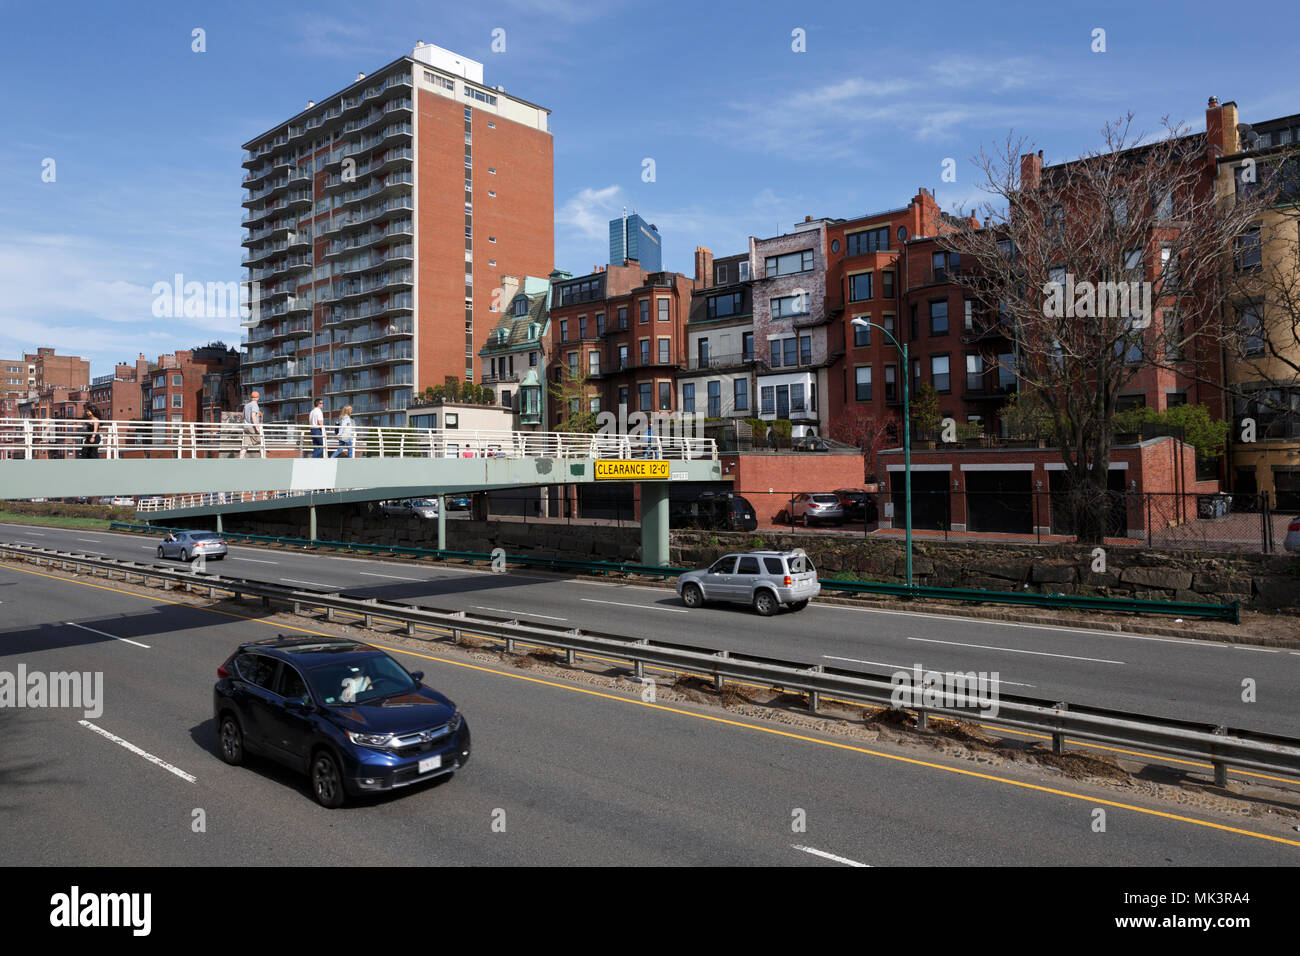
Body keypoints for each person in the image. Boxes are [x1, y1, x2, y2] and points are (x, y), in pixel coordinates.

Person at [239, 390, 264, 459]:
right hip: (252, 427)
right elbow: (253, 416)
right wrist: (256, 428)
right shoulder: (255, 405)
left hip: (246, 427)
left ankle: (240, 460)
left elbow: (242, 416)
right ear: (257, 398)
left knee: (245, 445)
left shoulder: (246, 405)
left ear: (251, 397)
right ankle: (263, 458)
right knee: (260, 443)